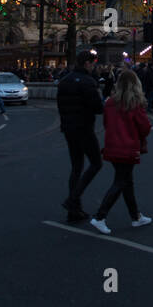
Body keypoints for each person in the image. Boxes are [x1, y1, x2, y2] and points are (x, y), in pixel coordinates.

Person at [90, 70, 153, 235]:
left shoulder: (110, 102)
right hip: (128, 147)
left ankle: (136, 216)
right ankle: (100, 216)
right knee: (120, 181)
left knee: (126, 182)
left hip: (112, 146)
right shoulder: (134, 103)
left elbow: (105, 123)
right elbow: (145, 127)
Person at [57, 49, 105, 223]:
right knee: (96, 163)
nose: (94, 67)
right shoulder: (87, 82)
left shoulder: (64, 81)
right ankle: (72, 201)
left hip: (68, 128)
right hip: (84, 128)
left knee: (76, 166)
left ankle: (74, 210)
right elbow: (98, 108)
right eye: (93, 64)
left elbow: (60, 106)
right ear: (87, 63)